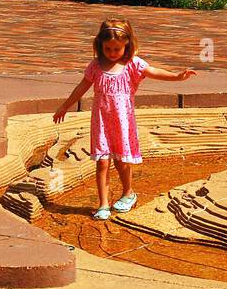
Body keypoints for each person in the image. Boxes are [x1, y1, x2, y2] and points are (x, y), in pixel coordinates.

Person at [53, 20, 196, 220]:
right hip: (102, 123)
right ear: (100, 46)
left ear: (127, 45)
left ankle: (128, 193)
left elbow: (153, 71)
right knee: (102, 162)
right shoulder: (95, 66)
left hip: (122, 123)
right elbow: (81, 87)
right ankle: (103, 204)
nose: (112, 52)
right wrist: (64, 106)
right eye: (108, 48)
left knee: (122, 161)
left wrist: (177, 76)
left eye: (117, 49)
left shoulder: (132, 65)